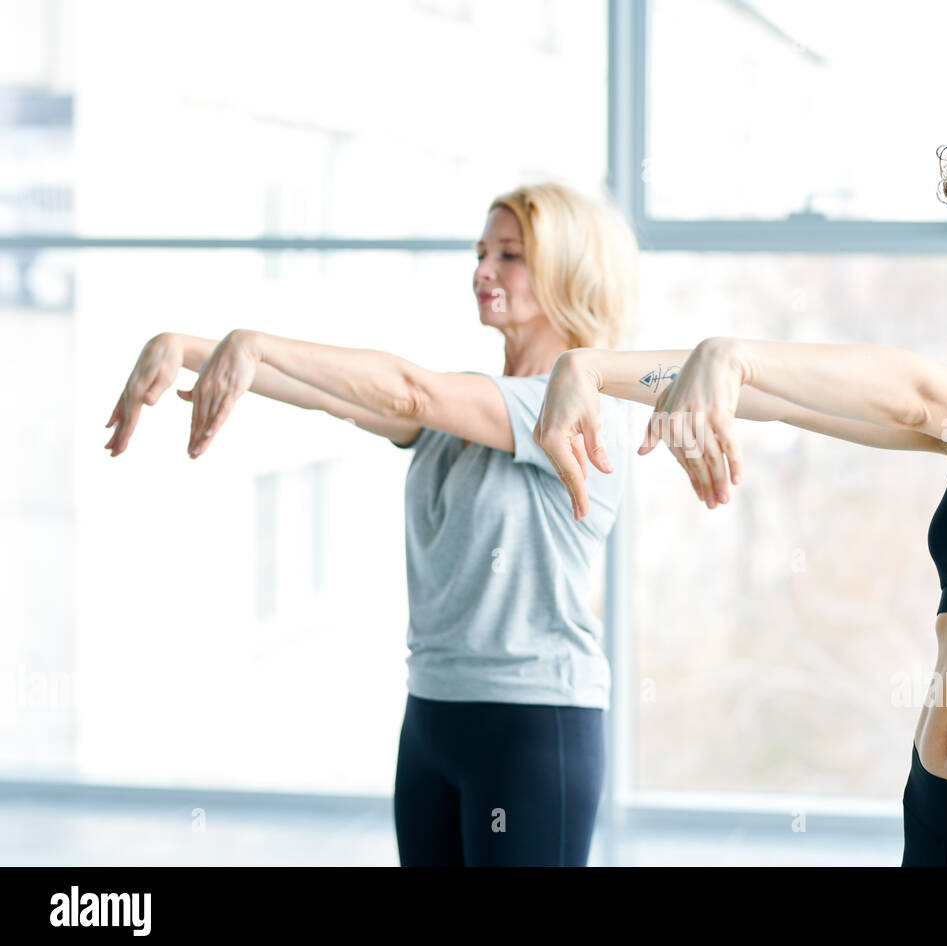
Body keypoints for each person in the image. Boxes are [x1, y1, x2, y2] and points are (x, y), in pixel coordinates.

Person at [532, 102, 947, 866]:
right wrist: (588, 368)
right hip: (933, 816)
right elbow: (786, 400)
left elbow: (918, 393)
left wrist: (733, 352)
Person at [103, 181, 641, 866]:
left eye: (510, 256)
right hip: (431, 715)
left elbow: (411, 389)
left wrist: (255, 343)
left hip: (533, 725)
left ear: (570, 270)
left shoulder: (576, 413)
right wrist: (189, 348)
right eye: (481, 253)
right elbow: (335, 394)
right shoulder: (463, 412)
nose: (481, 272)